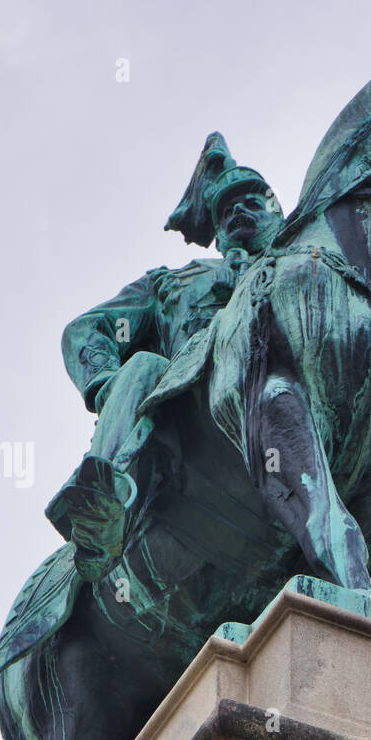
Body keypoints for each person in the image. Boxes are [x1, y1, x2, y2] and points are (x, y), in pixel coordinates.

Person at [47, 132, 283, 579]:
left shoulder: (312, 273)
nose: (238, 210)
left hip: (283, 400)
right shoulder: (168, 284)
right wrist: (108, 386)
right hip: (192, 401)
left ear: (278, 210)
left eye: (252, 198)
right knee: (143, 367)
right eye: (225, 208)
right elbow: (84, 330)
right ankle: (104, 502)